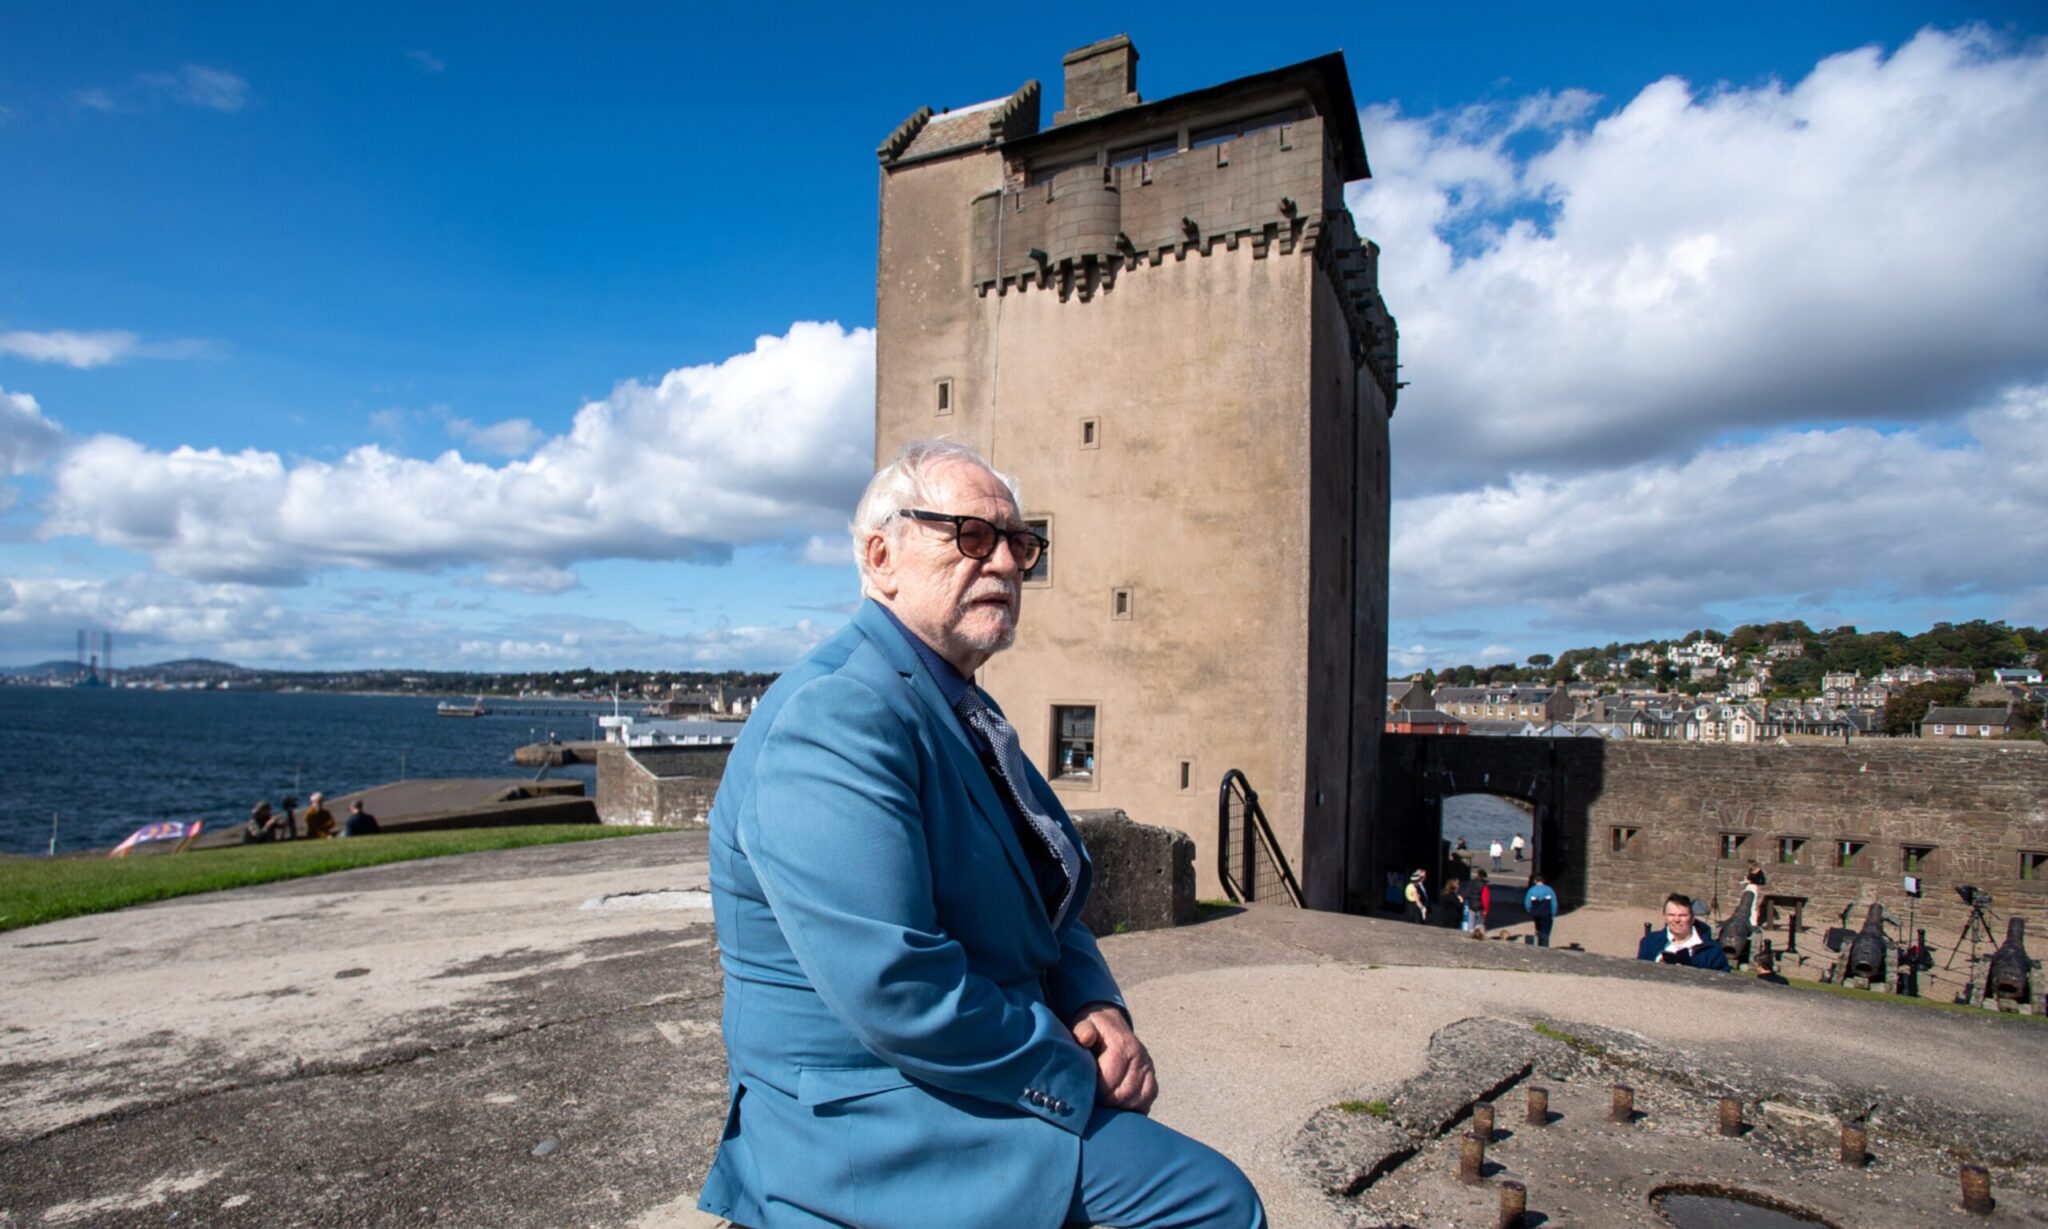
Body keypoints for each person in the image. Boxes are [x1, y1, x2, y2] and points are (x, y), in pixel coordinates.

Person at [696, 440, 1263, 1229]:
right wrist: (1071, 1067)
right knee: (1214, 1206)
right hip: (873, 1123)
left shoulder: (954, 703)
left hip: (951, 1072)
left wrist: (1095, 1002)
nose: (1003, 561)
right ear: (881, 555)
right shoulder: (836, 715)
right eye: (969, 535)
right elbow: (897, 984)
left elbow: (1044, 894)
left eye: (1019, 543)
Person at [1636, 893, 1731, 971]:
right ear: (1665, 917)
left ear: (1692, 918)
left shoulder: (1711, 950)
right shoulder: (1649, 942)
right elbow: (1640, 973)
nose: (1676, 920)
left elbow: (1724, 982)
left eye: (1682, 915)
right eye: (1671, 915)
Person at [1523, 874, 1558, 948]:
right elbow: (1554, 903)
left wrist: (1531, 911)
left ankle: (1538, 943)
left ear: (1535, 881)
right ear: (1543, 880)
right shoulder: (1549, 890)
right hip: (1546, 913)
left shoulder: (1532, 890)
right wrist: (1553, 912)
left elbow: (1527, 903)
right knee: (1546, 930)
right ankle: (1544, 945)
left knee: (1538, 928)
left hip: (1536, 913)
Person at [1460, 872, 1487, 936]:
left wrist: (1462, 897)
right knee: (1479, 922)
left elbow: (1467, 893)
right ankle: (1479, 934)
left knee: (1471, 921)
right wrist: (1486, 909)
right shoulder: (1483, 885)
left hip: (1471, 904)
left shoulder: (1471, 882)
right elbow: (1485, 898)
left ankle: (1470, 933)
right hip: (1480, 905)